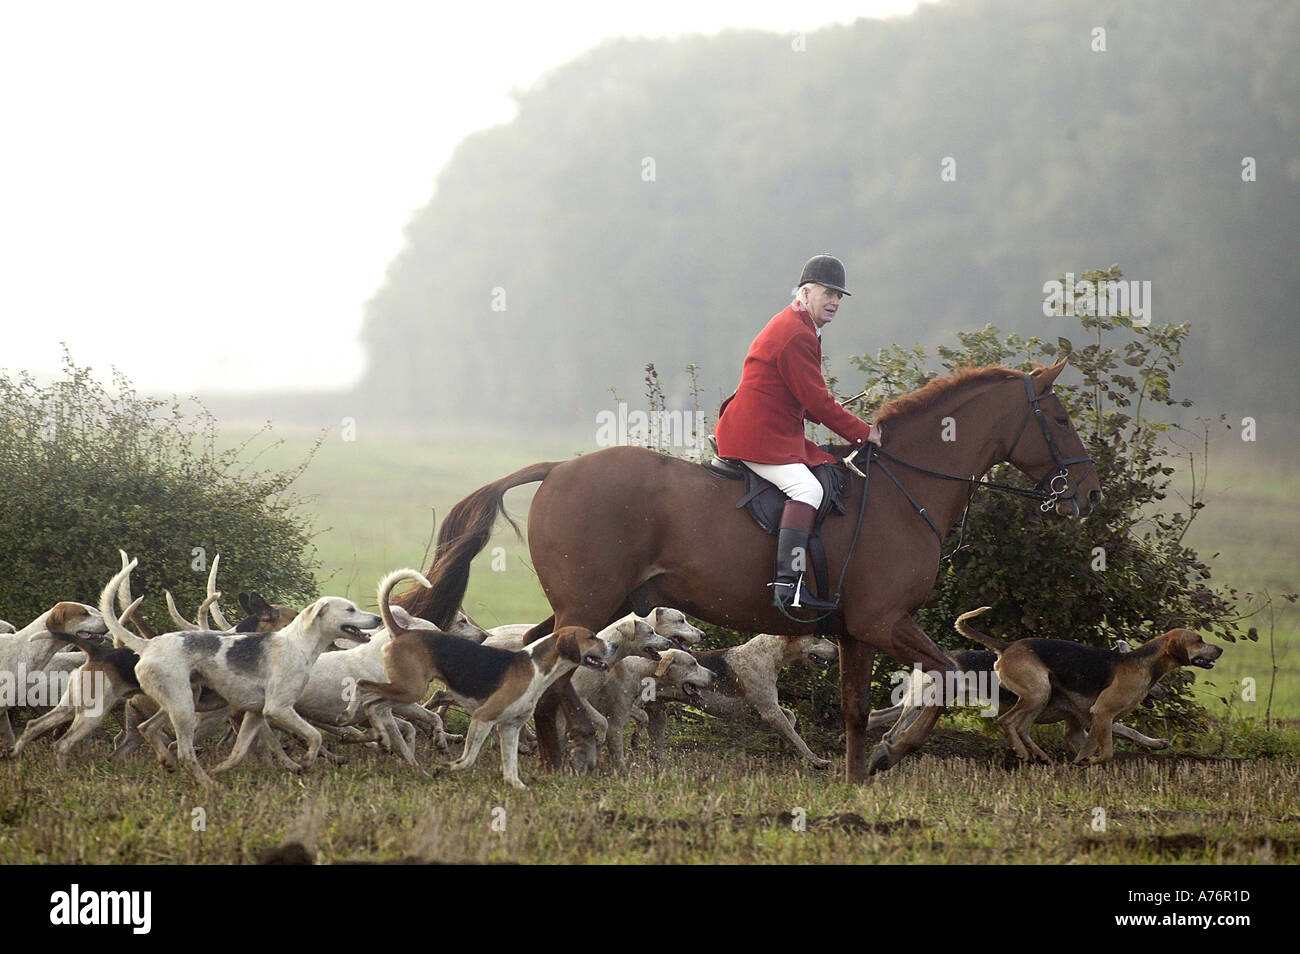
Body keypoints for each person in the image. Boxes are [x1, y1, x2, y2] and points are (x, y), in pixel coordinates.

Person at [714, 254, 883, 612]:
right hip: (757, 435)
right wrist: (863, 432)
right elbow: (818, 402)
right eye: (828, 293)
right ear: (806, 292)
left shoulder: (798, 324)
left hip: (770, 427)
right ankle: (787, 585)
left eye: (839, 295)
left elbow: (799, 394)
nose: (835, 301)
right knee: (808, 488)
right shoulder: (796, 334)